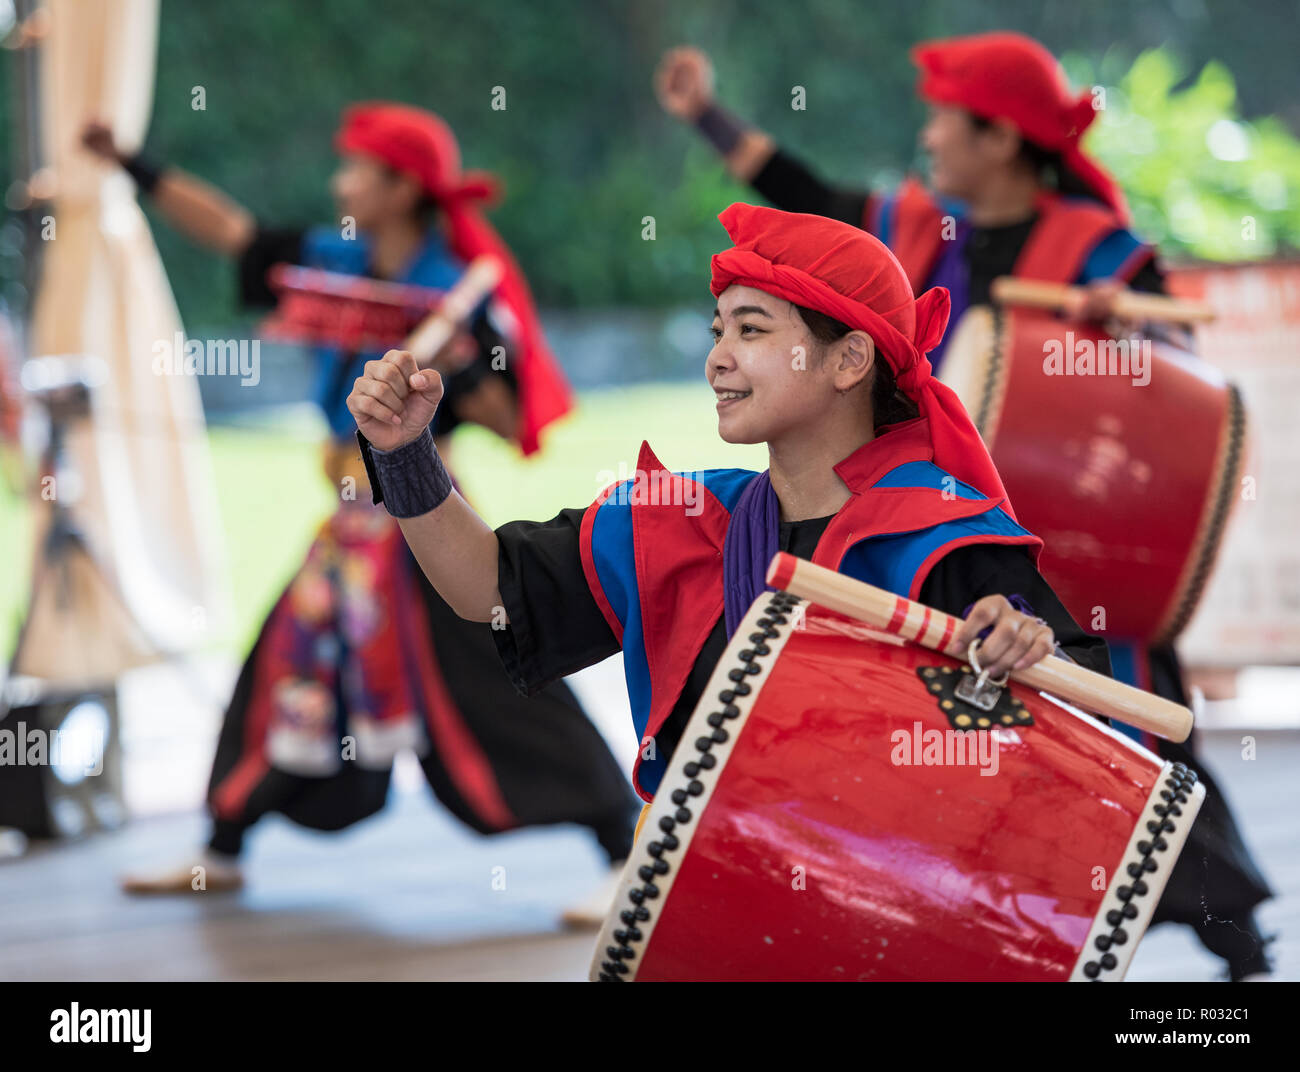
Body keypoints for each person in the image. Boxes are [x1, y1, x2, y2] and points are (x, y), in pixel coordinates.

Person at [655, 32, 1275, 979]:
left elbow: (1172, 389)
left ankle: (1230, 930)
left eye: (949, 118)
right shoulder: (915, 227)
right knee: (962, 735)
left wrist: (1126, 329)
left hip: (1073, 534)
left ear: (1003, 138)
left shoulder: (1102, 253)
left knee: (1127, 729)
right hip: (945, 527)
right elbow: (806, 193)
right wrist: (707, 112)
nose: (931, 136)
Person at [348, 203, 1109, 818]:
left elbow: (1081, 741)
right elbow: (485, 587)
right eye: (719, 331)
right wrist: (405, 454)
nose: (717, 356)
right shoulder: (681, 519)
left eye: (752, 330)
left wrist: (1027, 656)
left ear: (849, 360)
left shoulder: (944, 544)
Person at [83, 103, 639, 925]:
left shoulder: (456, 289)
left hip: (426, 524)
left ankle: (627, 847)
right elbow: (233, 230)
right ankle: (223, 847)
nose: (340, 183)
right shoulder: (332, 262)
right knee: (283, 667)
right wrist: (132, 164)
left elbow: (502, 416)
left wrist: (459, 364)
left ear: (403, 187)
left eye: (356, 171)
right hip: (350, 527)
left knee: (502, 673)